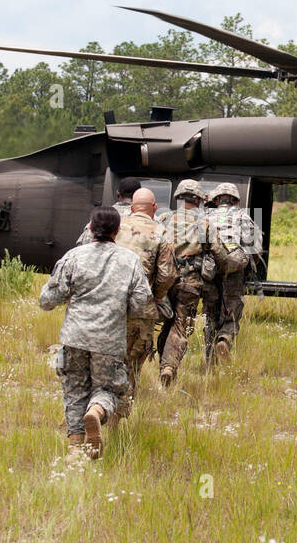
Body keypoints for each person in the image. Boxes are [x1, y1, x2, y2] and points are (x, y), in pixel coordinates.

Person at [39, 206, 152, 461]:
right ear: (117, 231)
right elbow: (140, 305)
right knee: (111, 389)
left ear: (90, 229)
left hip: (75, 337)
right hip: (109, 341)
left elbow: (47, 299)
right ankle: (97, 411)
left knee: (74, 390)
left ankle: (76, 449)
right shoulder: (130, 260)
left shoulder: (74, 257)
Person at [157, 178, 226, 387]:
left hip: (164, 280)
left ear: (178, 197)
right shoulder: (205, 224)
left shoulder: (164, 219)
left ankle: (163, 363)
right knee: (181, 325)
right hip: (191, 283)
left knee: (166, 325)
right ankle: (169, 366)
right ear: (198, 200)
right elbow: (220, 253)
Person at [113, 188, 177, 411]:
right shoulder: (161, 231)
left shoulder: (116, 226)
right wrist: (157, 296)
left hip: (108, 304)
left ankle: (99, 404)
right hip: (139, 306)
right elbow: (167, 274)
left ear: (131, 208)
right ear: (155, 209)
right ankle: (121, 412)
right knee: (132, 359)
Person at [202, 182, 260, 365]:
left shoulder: (205, 217)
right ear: (235, 200)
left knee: (210, 314)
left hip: (210, 272)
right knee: (232, 309)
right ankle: (225, 337)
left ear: (217, 199)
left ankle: (210, 362)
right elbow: (255, 252)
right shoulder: (244, 218)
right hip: (234, 273)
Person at [76, 176, 143, 244]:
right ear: (139, 195)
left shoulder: (101, 216)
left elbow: (82, 243)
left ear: (118, 193)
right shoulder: (147, 218)